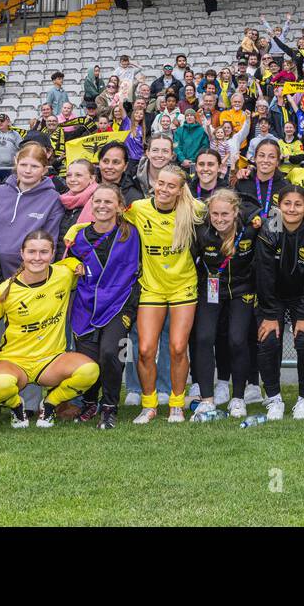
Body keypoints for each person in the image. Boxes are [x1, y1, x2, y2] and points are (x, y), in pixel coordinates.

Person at [0, 230, 99, 428]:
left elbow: (70, 263)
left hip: (51, 360)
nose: (37, 258)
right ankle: (17, 407)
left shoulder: (63, 275)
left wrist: (74, 263)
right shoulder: (3, 291)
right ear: (22, 253)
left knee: (89, 371)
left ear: (52, 254)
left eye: (44, 252)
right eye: (32, 252)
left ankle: (51, 403)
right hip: (14, 360)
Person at [128, 165, 204, 423]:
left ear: (180, 190)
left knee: (178, 347)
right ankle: (148, 405)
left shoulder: (194, 210)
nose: (164, 189)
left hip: (183, 286)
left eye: (171, 185)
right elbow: (106, 213)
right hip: (152, 287)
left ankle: (176, 404)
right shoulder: (139, 209)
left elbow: (226, 212)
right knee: (146, 349)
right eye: (161, 183)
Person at [64, 184, 142, 430]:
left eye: (108, 202)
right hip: (85, 306)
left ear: (119, 206)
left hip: (119, 304)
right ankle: (89, 403)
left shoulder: (131, 234)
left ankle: (109, 406)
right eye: (97, 201)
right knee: (88, 361)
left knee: (112, 352)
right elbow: (65, 263)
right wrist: (72, 266)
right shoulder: (78, 237)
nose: (102, 206)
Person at [255, 187, 304, 419]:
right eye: (287, 203)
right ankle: (274, 398)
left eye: (298, 204)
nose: (292, 209)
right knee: (267, 339)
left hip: (303, 297)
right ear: (279, 205)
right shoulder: (270, 227)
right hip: (273, 296)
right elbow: (264, 273)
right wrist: (269, 313)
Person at [191, 189, 260, 421]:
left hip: (242, 290)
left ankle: (238, 398)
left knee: (237, 339)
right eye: (215, 214)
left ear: (235, 212)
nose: (219, 219)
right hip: (211, 290)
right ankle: (207, 399)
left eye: (225, 214)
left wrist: (253, 216)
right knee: (203, 338)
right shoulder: (202, 231)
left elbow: (259, 208)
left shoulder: (250, 228)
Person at [0, 143, 65, 278]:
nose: (28, 170)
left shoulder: (53, 199)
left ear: (44, 170)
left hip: (25, 277)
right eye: (23, 165)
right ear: (16, 164)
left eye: (35, 166)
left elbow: (50, 242)